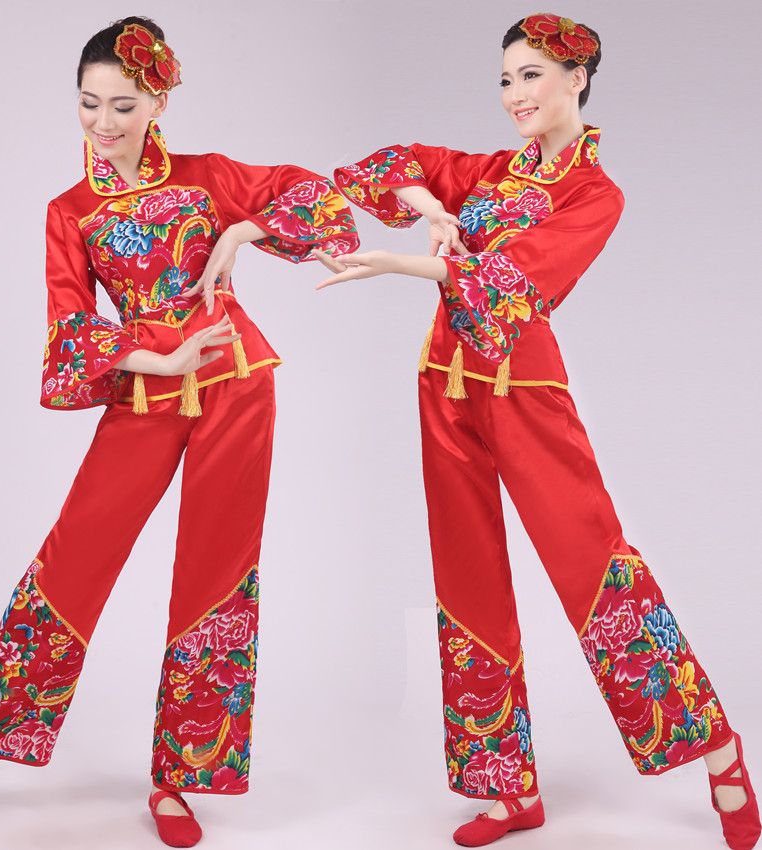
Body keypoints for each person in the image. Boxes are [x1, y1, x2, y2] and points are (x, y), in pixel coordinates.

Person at [314, 12, 760, 850]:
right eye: (506, 79)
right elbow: (386, 164)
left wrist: (405, 261)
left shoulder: (595, 195)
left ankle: (718, 748)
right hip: (444, 385)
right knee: (466, 573)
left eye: (531, 76)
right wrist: (431, 208)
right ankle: (506, 785)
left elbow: (513, 286)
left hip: (525, 389)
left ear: (577, 79)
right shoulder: (487, 173)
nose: (515, 94)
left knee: (593, 563)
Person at [0, 16, 358, 848]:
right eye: (89, 103)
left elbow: (318, 198)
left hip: (236, 385)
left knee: (217, 572)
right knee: (74, 558)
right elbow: (70, 327)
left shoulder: (207, 177)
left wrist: (242, 229)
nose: (104, 122)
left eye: (123, 104)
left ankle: (178, 775)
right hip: (146, 389)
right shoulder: (70, 210)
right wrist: (160, 358)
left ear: (158, 103)